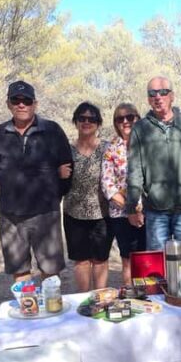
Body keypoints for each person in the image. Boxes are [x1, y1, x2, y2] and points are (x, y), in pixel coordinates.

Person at [0, 80, 73, 284]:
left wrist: (52, 194)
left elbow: (67, 170)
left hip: (46, 214)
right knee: (20, 271)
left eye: (26, 100)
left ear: (35, 104)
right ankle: (27, 312)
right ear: (8, 104)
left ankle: (51, 315)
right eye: (15, 100)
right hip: (11, 216)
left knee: (50, 272)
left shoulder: (52, 130)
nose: (21, 105)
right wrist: (12, 188)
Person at [125, 76, 181, 251]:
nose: (158, 97)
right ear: (148, 99)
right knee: (158, 269)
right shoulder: (140, 129)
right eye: (152, 93)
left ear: (172, 96)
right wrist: (132, 207)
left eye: (163, 92)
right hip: (156, 211)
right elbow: (134, 171)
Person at [63, 102, 111, 291]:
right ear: (75, 121)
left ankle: (100, 300)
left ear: (98, 123)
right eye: (82, 118)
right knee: (81, 261)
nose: (86, 122)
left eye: (91, 119)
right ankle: (83, 301)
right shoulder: (66, 150)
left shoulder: (108, 149)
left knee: (100, 260)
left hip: (102, 214)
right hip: (73, 213)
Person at [102, 103, 146, 285]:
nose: (126, 122)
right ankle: (131, 298)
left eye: (130, 117)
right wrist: (131, 211)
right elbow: (108, 185)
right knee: (128, 259)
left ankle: (149, 301)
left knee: (148, 258)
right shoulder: (111, 148)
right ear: (115, 123)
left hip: (150, 213)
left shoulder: (149, 144)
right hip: (122, 214)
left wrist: (141, 211)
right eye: (120, 119)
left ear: (138, 118)